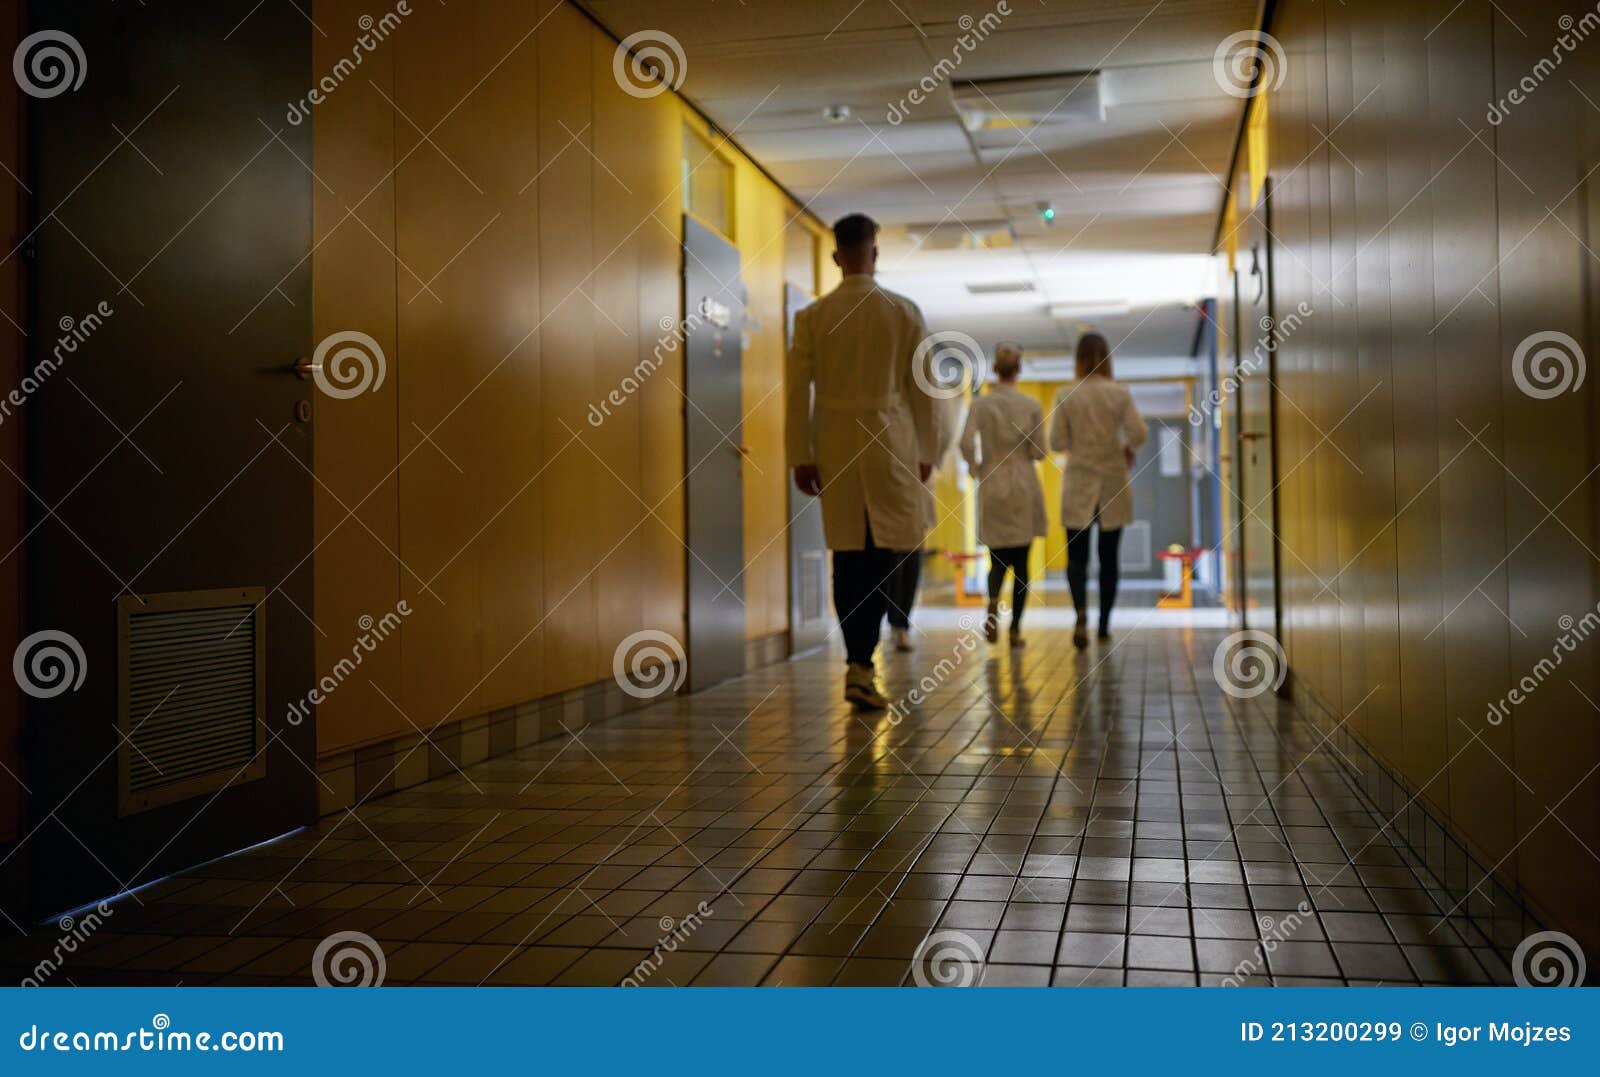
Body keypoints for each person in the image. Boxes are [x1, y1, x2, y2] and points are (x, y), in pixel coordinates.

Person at [786, 213, 942, 709]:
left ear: (837, 256)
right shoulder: (904, 311)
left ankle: (857, 662)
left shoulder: (812, 318)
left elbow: (796, 392)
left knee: (847, 552)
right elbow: (925, 391)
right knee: (881, 553)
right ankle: (861, 663)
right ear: (874, 252)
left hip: (834, 444)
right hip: (889, 442)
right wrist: (927, 452)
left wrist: (800, 455)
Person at [1048, 332, 1147, 649]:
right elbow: (1139, 434)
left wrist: (1079, 444)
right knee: (1109, 559)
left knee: (1076, 559)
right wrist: (1124, 446)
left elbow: (1056, 442)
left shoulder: (1065, 394)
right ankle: (1103, 625)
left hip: (1078, 483)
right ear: (1107, 357)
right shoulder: (1119, 394)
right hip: (1111, 483)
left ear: (1077, 359)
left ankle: (1080, 615)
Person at [959, 343, 1048, 648]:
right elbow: (1040, 451)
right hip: (1023, 484)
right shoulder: (1030, 404)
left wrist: (976, 468)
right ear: (1018, 370)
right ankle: (1015, 630)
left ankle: (993, 602)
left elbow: (965, 442)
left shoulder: (981, 405)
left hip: (993, 481)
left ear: (995, 370)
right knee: (1022, 564)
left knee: (996, 560)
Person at [883, 393, 957, 652]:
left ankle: (895, 621)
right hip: (916, 472)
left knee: (893, 551)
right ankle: (900, 624)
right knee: (910, 550)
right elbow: (946, 431)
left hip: (891, 472)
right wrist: (931, 460)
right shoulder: (930, 387)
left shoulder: (888, 381)